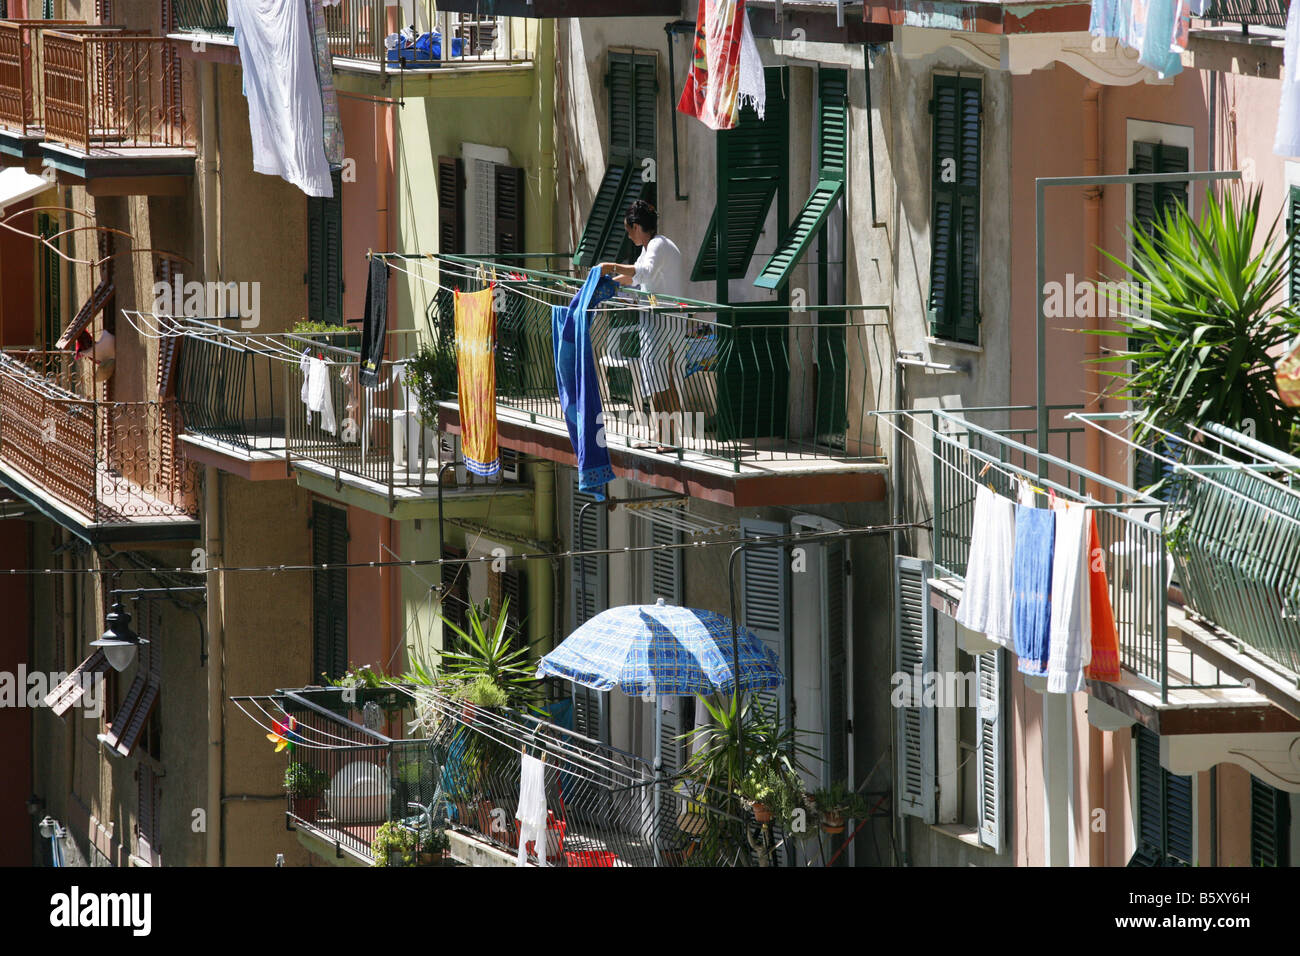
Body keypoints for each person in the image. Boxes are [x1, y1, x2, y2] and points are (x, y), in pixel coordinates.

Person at [598, 201, 685, 453]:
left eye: (628, 230)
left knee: (664, 380)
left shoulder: (658, 245)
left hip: (665, 322)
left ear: (636, 226)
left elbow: (643, 273)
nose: (628, 235)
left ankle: (671, 439)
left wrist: (610, 267)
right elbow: (634, 277)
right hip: (655, 321)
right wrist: (605, 285)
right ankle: (659, 435)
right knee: (656, 379)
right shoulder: (648, 248)